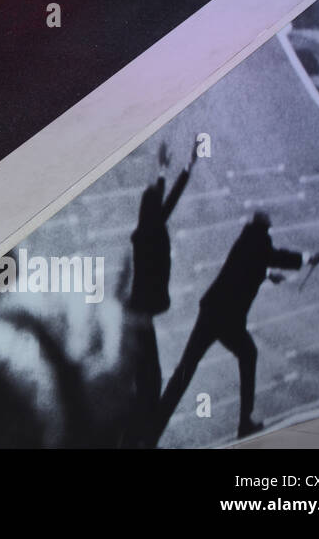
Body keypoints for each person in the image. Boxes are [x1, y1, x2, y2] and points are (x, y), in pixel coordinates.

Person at [152, 212, 319, 444]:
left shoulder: (245, 240)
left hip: (210, 311)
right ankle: (244, 422)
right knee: (248, 355)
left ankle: (154, 426)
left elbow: (250, 264)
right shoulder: (261, 243)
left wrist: (267, 275)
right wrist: (308, 258)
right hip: (228, 321)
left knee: (186, 367)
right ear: (265, 229)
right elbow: (275, 256)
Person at [121, 141, 195, 446]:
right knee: (149, 378)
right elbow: (167, 201)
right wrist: (179, 169)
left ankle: (135, 428)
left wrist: (172, 169)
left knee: (148, 378)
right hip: (139, 317)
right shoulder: (148, 234)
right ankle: (135, 431)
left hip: (139, 314)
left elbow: (166, 199)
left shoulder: (147, 230)